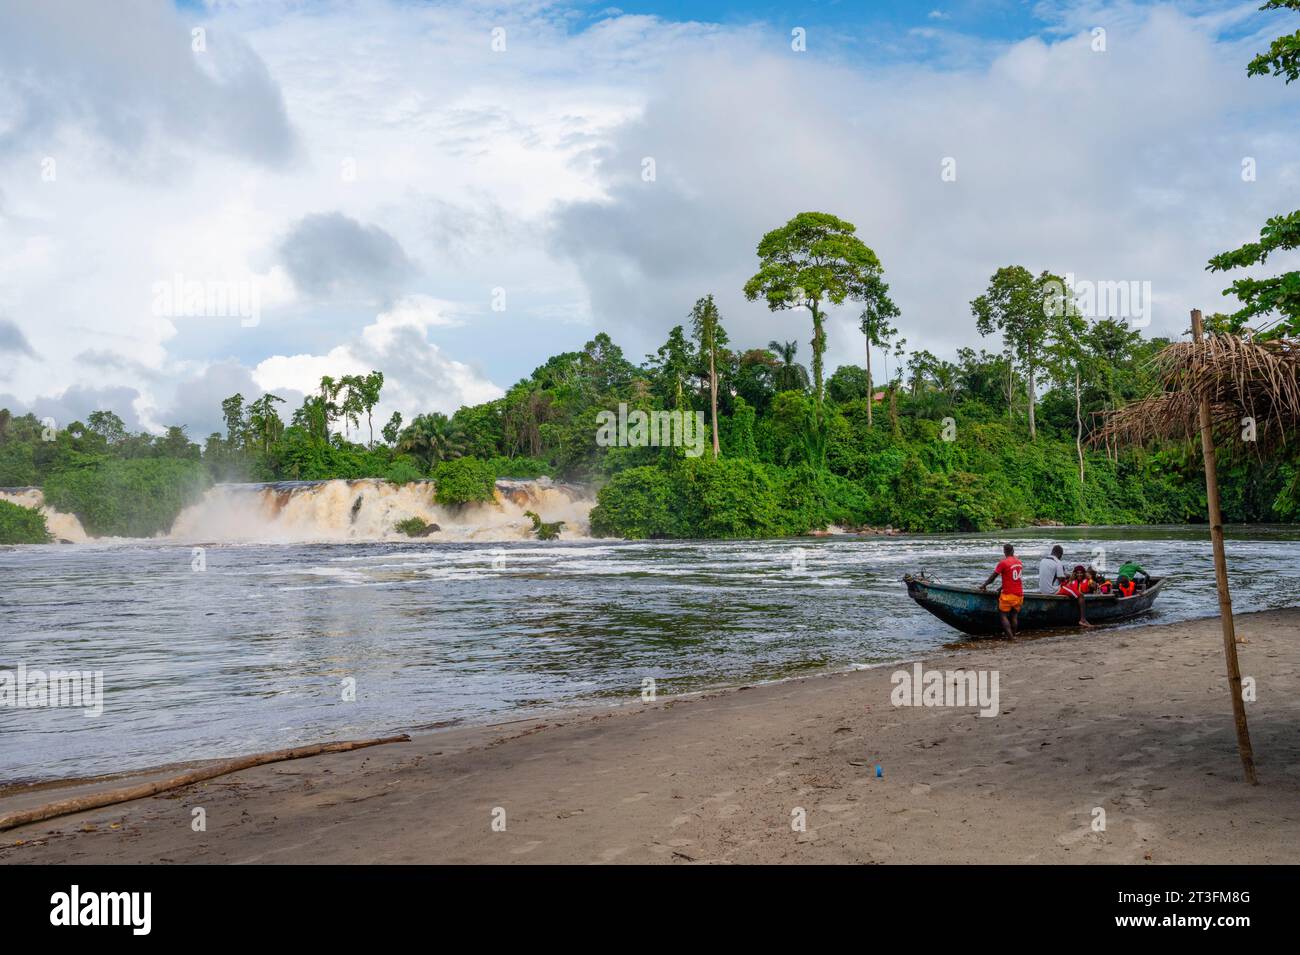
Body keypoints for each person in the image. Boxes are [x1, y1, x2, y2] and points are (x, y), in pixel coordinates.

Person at [980, 543, 1024, 639]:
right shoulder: (1019, 562)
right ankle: (1014, 635)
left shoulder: (1003, 563)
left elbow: (993, 577)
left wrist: (984, 585)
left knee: (1003, 615)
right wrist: (1001, 587)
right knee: (1014, 615)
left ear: (1004, 552)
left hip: (1008, 595)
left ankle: (1011, 638)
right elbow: (1013, 578)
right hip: (1019, 594)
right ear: (1013, 551)